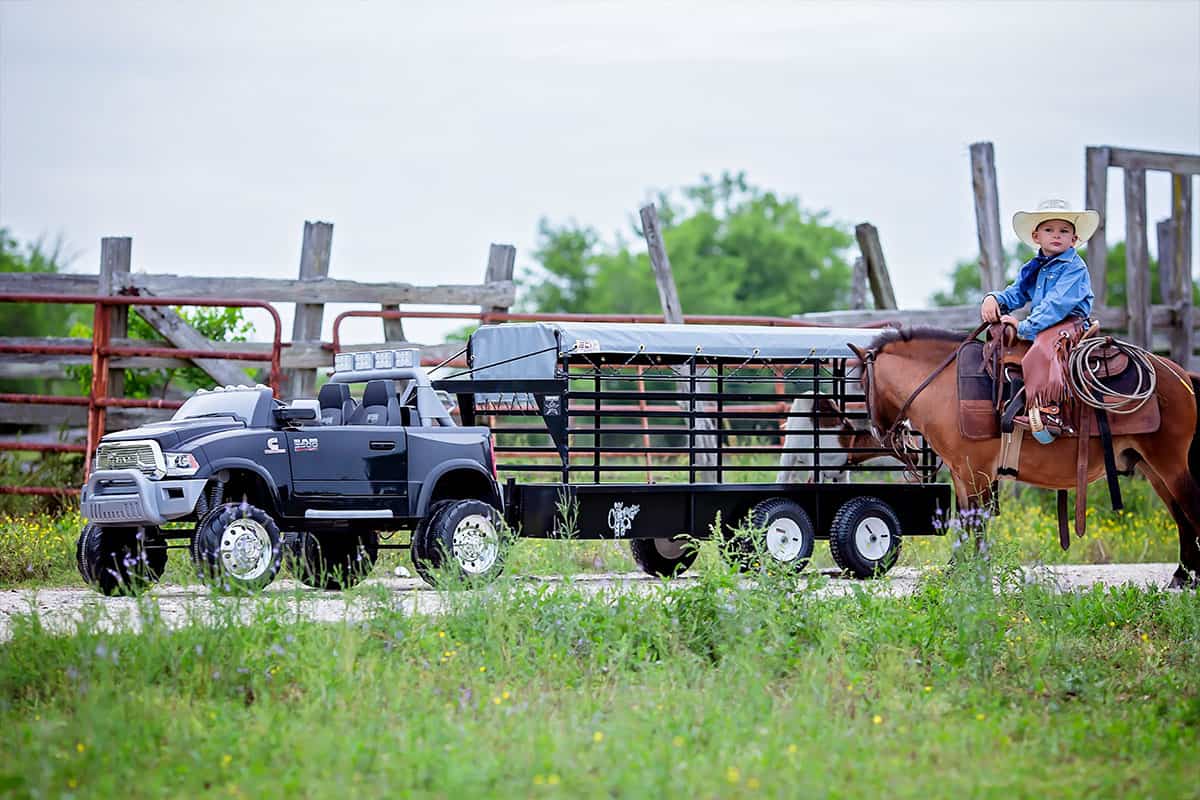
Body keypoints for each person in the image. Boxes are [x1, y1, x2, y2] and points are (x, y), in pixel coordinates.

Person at [979, 198, 1100, 442]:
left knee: (1044, 349)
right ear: (1036, 236)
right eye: (1049, 230)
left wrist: (1023, 327)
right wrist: (994, 298)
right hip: (1046, 323)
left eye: (1064, 231)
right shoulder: (1034, 267)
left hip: (1070, 322)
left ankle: (1051, 412)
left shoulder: (1075, 267)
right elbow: (1017, 293)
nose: (1057, 235)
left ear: (1074, 240)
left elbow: (1055, 305)